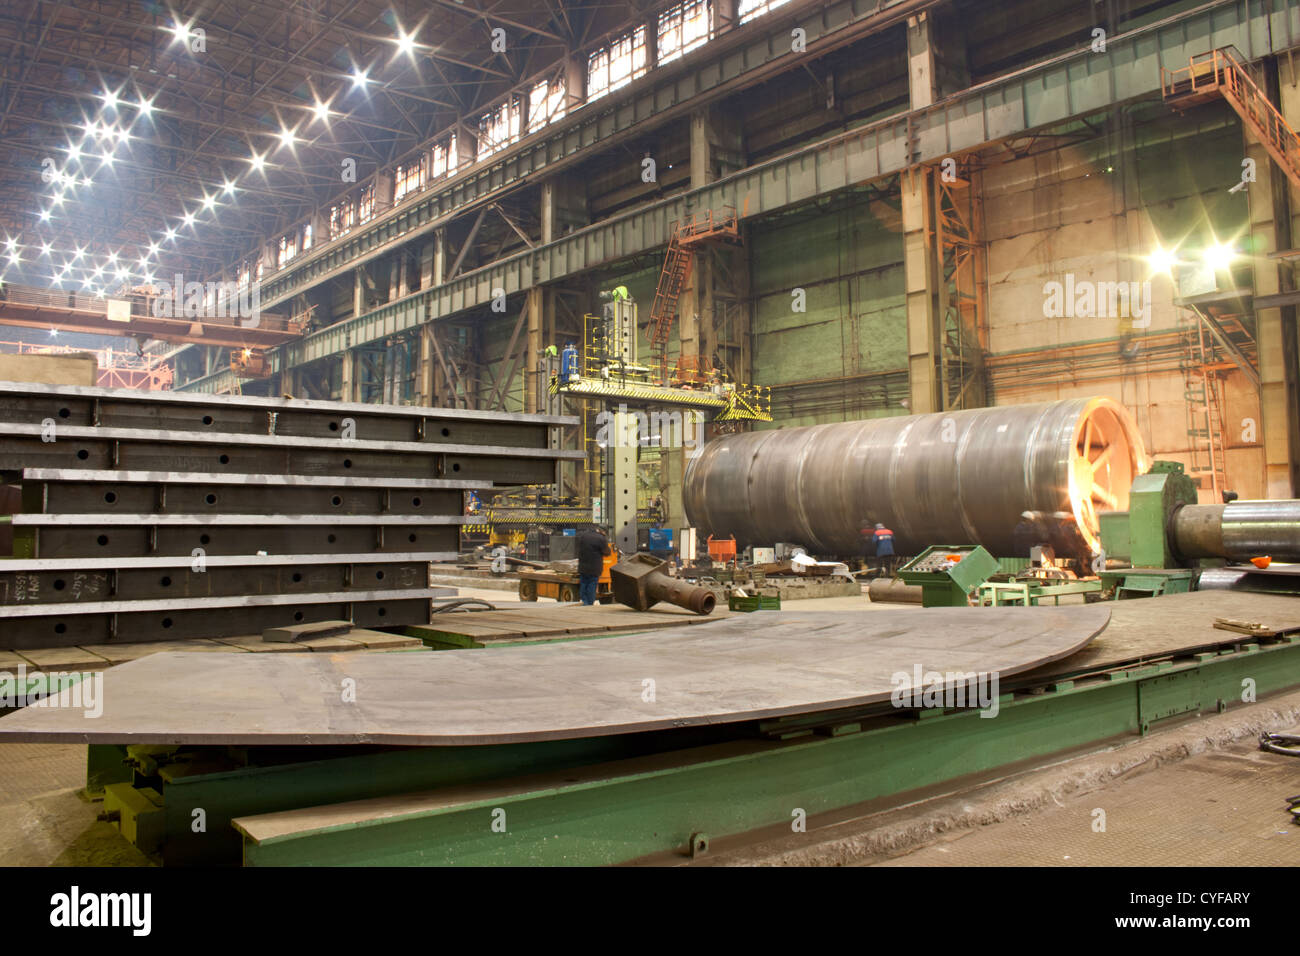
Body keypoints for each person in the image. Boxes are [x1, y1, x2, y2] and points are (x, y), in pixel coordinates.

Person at [576, 526, 612, 606]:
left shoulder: (583, 536)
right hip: (594, 567)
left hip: (583, 566)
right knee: (592, 584)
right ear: (602, 531)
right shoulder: (601, 538)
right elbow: (607, 552)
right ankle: (589, 603)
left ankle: (584, 601)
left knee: (584, 583)